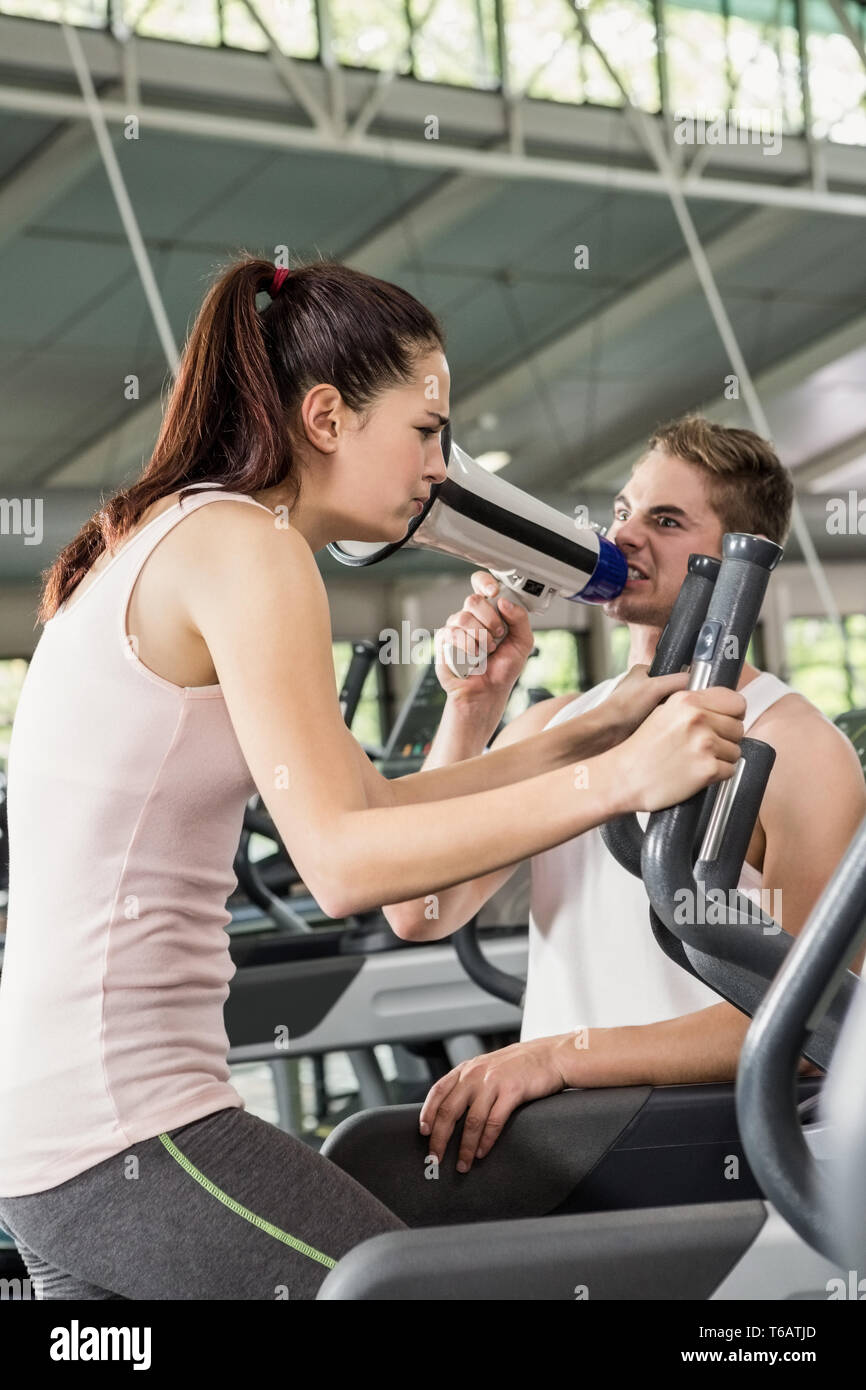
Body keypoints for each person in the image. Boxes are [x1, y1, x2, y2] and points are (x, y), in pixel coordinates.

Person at [0, 260, 744, 1300]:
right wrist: (621, 778)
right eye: (427, 430)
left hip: (63, 1147)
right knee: (411, 1294)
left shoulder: (187, 534)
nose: (441, 468)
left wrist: (589, 734)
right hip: (127, 1134)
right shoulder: (248, 551)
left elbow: (376, 810)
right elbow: (348, 866)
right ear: (324, 417)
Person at [382, 416, 866, 1175]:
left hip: (703, 1144)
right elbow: (417, 909)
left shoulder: (799, 749)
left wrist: (563, 1058)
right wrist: (471, 708)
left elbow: (813, 1023)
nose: (624, 536)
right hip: (556, 1138)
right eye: (622, 512)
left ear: (741, 558)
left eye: (666, 521)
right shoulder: (555, 726)